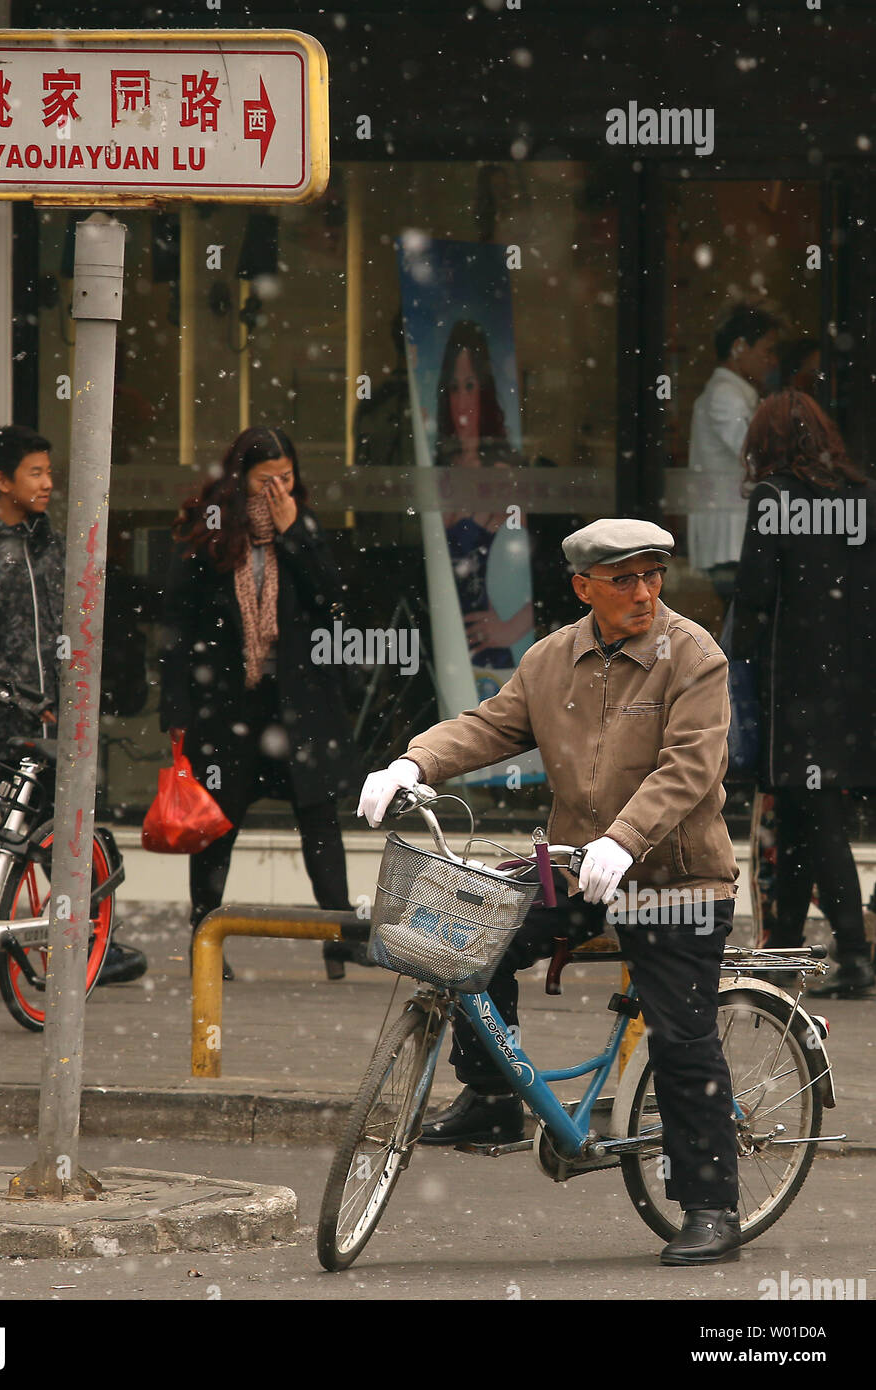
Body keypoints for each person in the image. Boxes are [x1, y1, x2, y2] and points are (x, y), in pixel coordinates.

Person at [359, 519, 744, 1266]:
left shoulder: (693, 656)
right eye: (624, 578)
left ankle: (710, 1205)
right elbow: (487, 726)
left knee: (680, 1038)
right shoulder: (551, 660)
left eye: (652, 575)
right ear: (583, 587)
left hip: (675, 878)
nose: (643, 591)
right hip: (576, 866)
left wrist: (625, 839)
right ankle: (494, 1101)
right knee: (470, 928)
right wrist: (413, 766)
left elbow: (689, 768)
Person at [159, 426, 363, 981]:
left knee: (319, 816)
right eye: (265, 478)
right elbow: (177, 623)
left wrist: (297, 535)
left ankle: (340, 938)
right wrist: (176, 703)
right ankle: (207, 934)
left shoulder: (306, 527)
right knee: (218, 821)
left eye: (286, 477)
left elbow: (332, 602)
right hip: (228, 705)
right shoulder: (213, 531)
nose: (277, 488)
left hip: (298, 701)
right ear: (240, 478)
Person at [0, 425, 147, 986]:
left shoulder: (50, 542)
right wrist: (14, 694)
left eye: (48, 472)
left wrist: (75, 693)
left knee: (71, 830)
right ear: (1, 481)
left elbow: (77, 622)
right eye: (35, 473)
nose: (47, 483)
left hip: (56, 718)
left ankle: (85, 939)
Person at [731, 391, 876, 998]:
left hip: (794, 685)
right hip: (855, 683)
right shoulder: (862, 498)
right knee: (800, 813)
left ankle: (854, 955)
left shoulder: (775, 499)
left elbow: (756, 594)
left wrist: (730, 665)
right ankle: (785, 951)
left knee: (814, 818)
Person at [433, 319, 534, 670]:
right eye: (455, 387)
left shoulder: (502, 477)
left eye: (470, 386)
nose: (461, 401)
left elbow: (547, 572)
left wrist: (511, 628)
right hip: (440, 647)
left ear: (485, 391)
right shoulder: (440, 470)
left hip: (487, 658)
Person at [687, 304, 780, 599]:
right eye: (767, 350)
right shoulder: (726, 395)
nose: (772, 361)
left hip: (734, 536)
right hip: (730, 539)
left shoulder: (733, 394)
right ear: (739, 347)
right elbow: (756, 454)